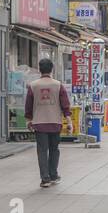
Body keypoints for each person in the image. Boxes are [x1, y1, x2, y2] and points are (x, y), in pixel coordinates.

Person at [25, 58, 71, 188]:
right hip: (55, 122)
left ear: (40, 69)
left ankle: (45, 179)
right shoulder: (58, 85)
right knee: (54, 150)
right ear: (52, 69)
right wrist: (69, 122)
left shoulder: (33, 85)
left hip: (39, 123)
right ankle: (53, 175)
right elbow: (65, 106)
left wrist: (29, 121)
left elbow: (28, 106)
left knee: (42, 151)